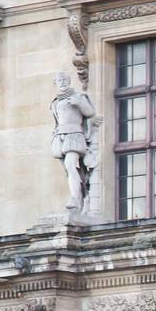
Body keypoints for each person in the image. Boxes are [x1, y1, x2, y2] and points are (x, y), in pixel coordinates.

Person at [50, 72, 98, 212]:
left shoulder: (78, 96)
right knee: (68, 169)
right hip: (60, 137)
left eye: (65, 80)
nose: (63, 82)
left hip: (74, 135)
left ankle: (74, 198)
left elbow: (90, 113)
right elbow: (57, 121)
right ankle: (82, 195)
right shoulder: (55, 102)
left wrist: (79, 104)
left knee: (70, 164)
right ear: (56, 83)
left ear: (69, 81)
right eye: (59, 80)